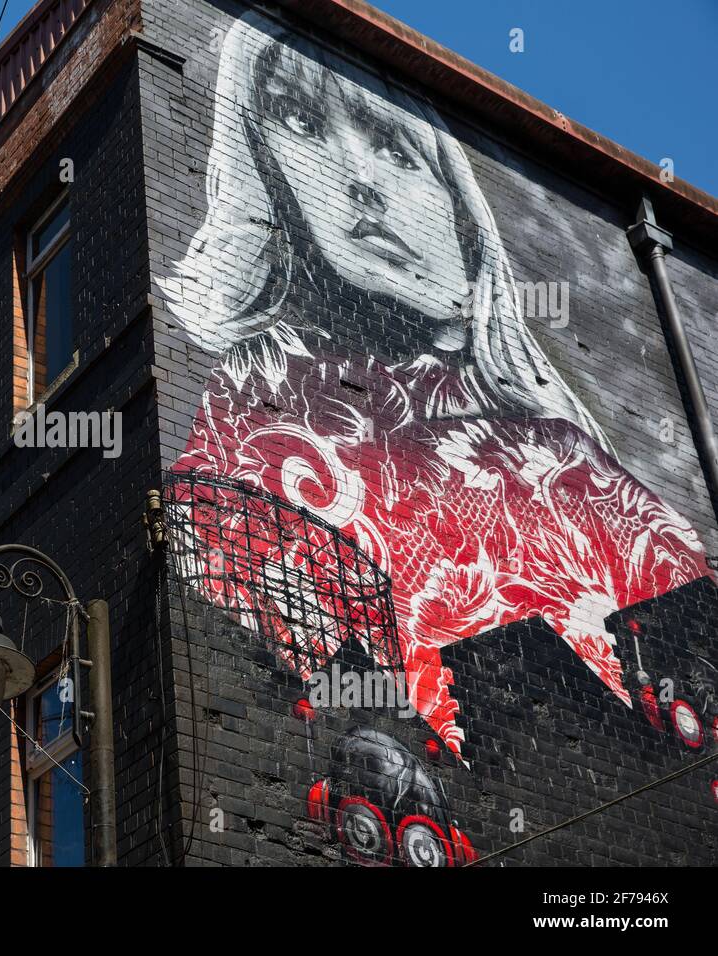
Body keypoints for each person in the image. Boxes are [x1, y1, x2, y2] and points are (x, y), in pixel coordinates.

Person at [159, 12, 710, 759]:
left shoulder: (570, 470)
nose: (358, 180)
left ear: (464, 219)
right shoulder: (250, 421)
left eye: (394, 148)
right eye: (298, 120)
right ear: (267, 170)